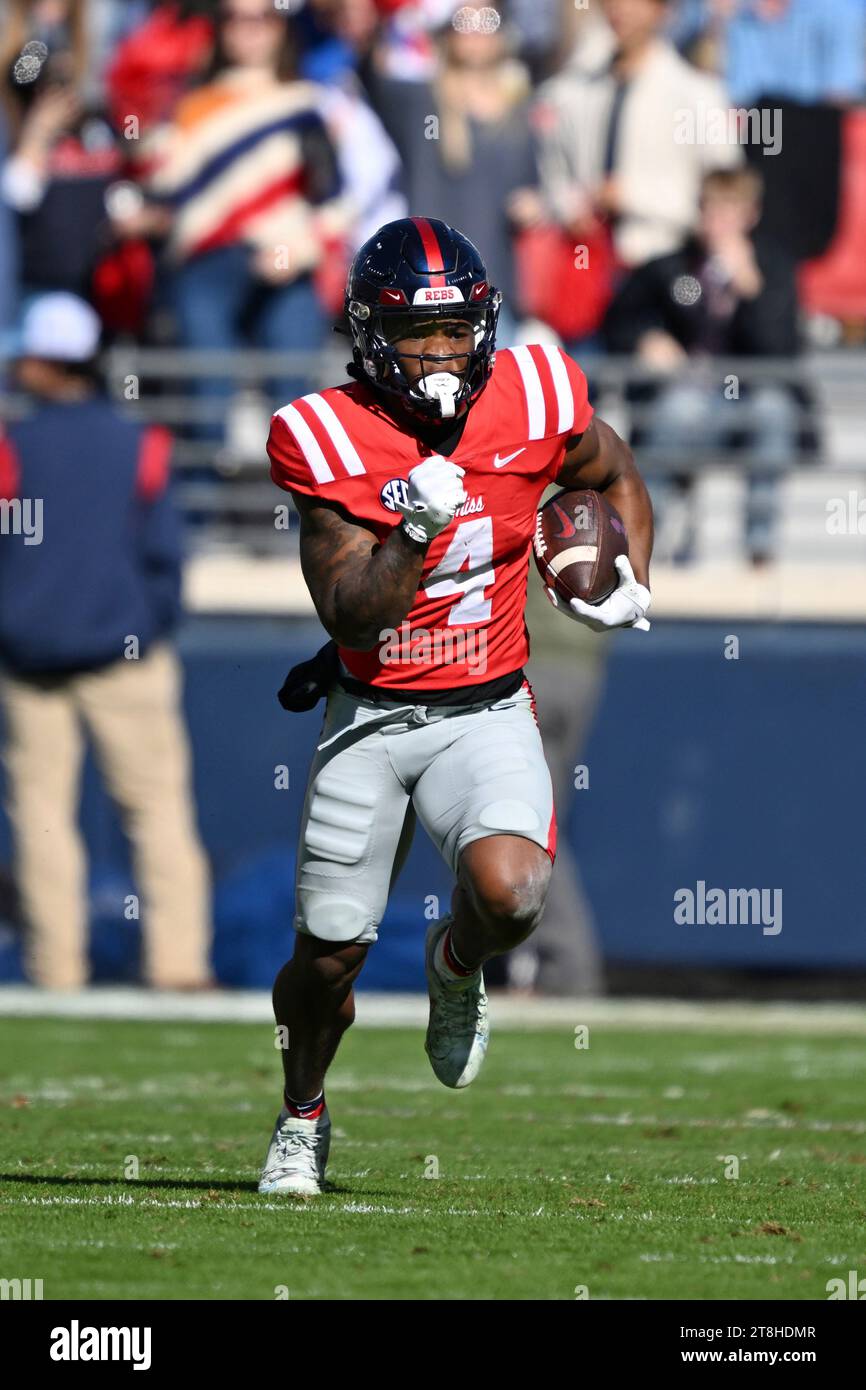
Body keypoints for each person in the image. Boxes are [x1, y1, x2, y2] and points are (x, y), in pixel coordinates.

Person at [259, 216, 654, 1196]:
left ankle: (454, 959)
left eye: (454, 330)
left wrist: (631, 579)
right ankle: (301, 1115)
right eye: (414, 332)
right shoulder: (325, 435)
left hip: (485, 703)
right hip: (372, 714)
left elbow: (610, 470)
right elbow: (350, 611)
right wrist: (412, 530)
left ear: (485, 324)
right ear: (367, 334)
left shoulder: (533, 393)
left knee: (513, 892)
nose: (439, 353)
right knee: (327, 961)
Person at [0, 292, 212, 990]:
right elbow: (167, 559)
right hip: (126, 662)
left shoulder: (12, 448)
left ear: (45, 362)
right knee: (157, 816)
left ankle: (55, 973)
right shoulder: (140, 443)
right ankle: (176, 968)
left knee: (42, 823)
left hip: (31, 664)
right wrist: (143, 627)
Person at [604, 165, 800, 563]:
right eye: (713, 210)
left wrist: (752, 290)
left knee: (774, 409)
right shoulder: (670, 266)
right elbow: (617, 320)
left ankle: (759, 548)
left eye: (732, 211)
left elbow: (783, 350)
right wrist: (646, 339)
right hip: (688, 403)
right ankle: (649, 541)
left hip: (747, 402)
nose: (721, 222)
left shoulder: (775, 268)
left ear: (751, 214)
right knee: (680, 409)